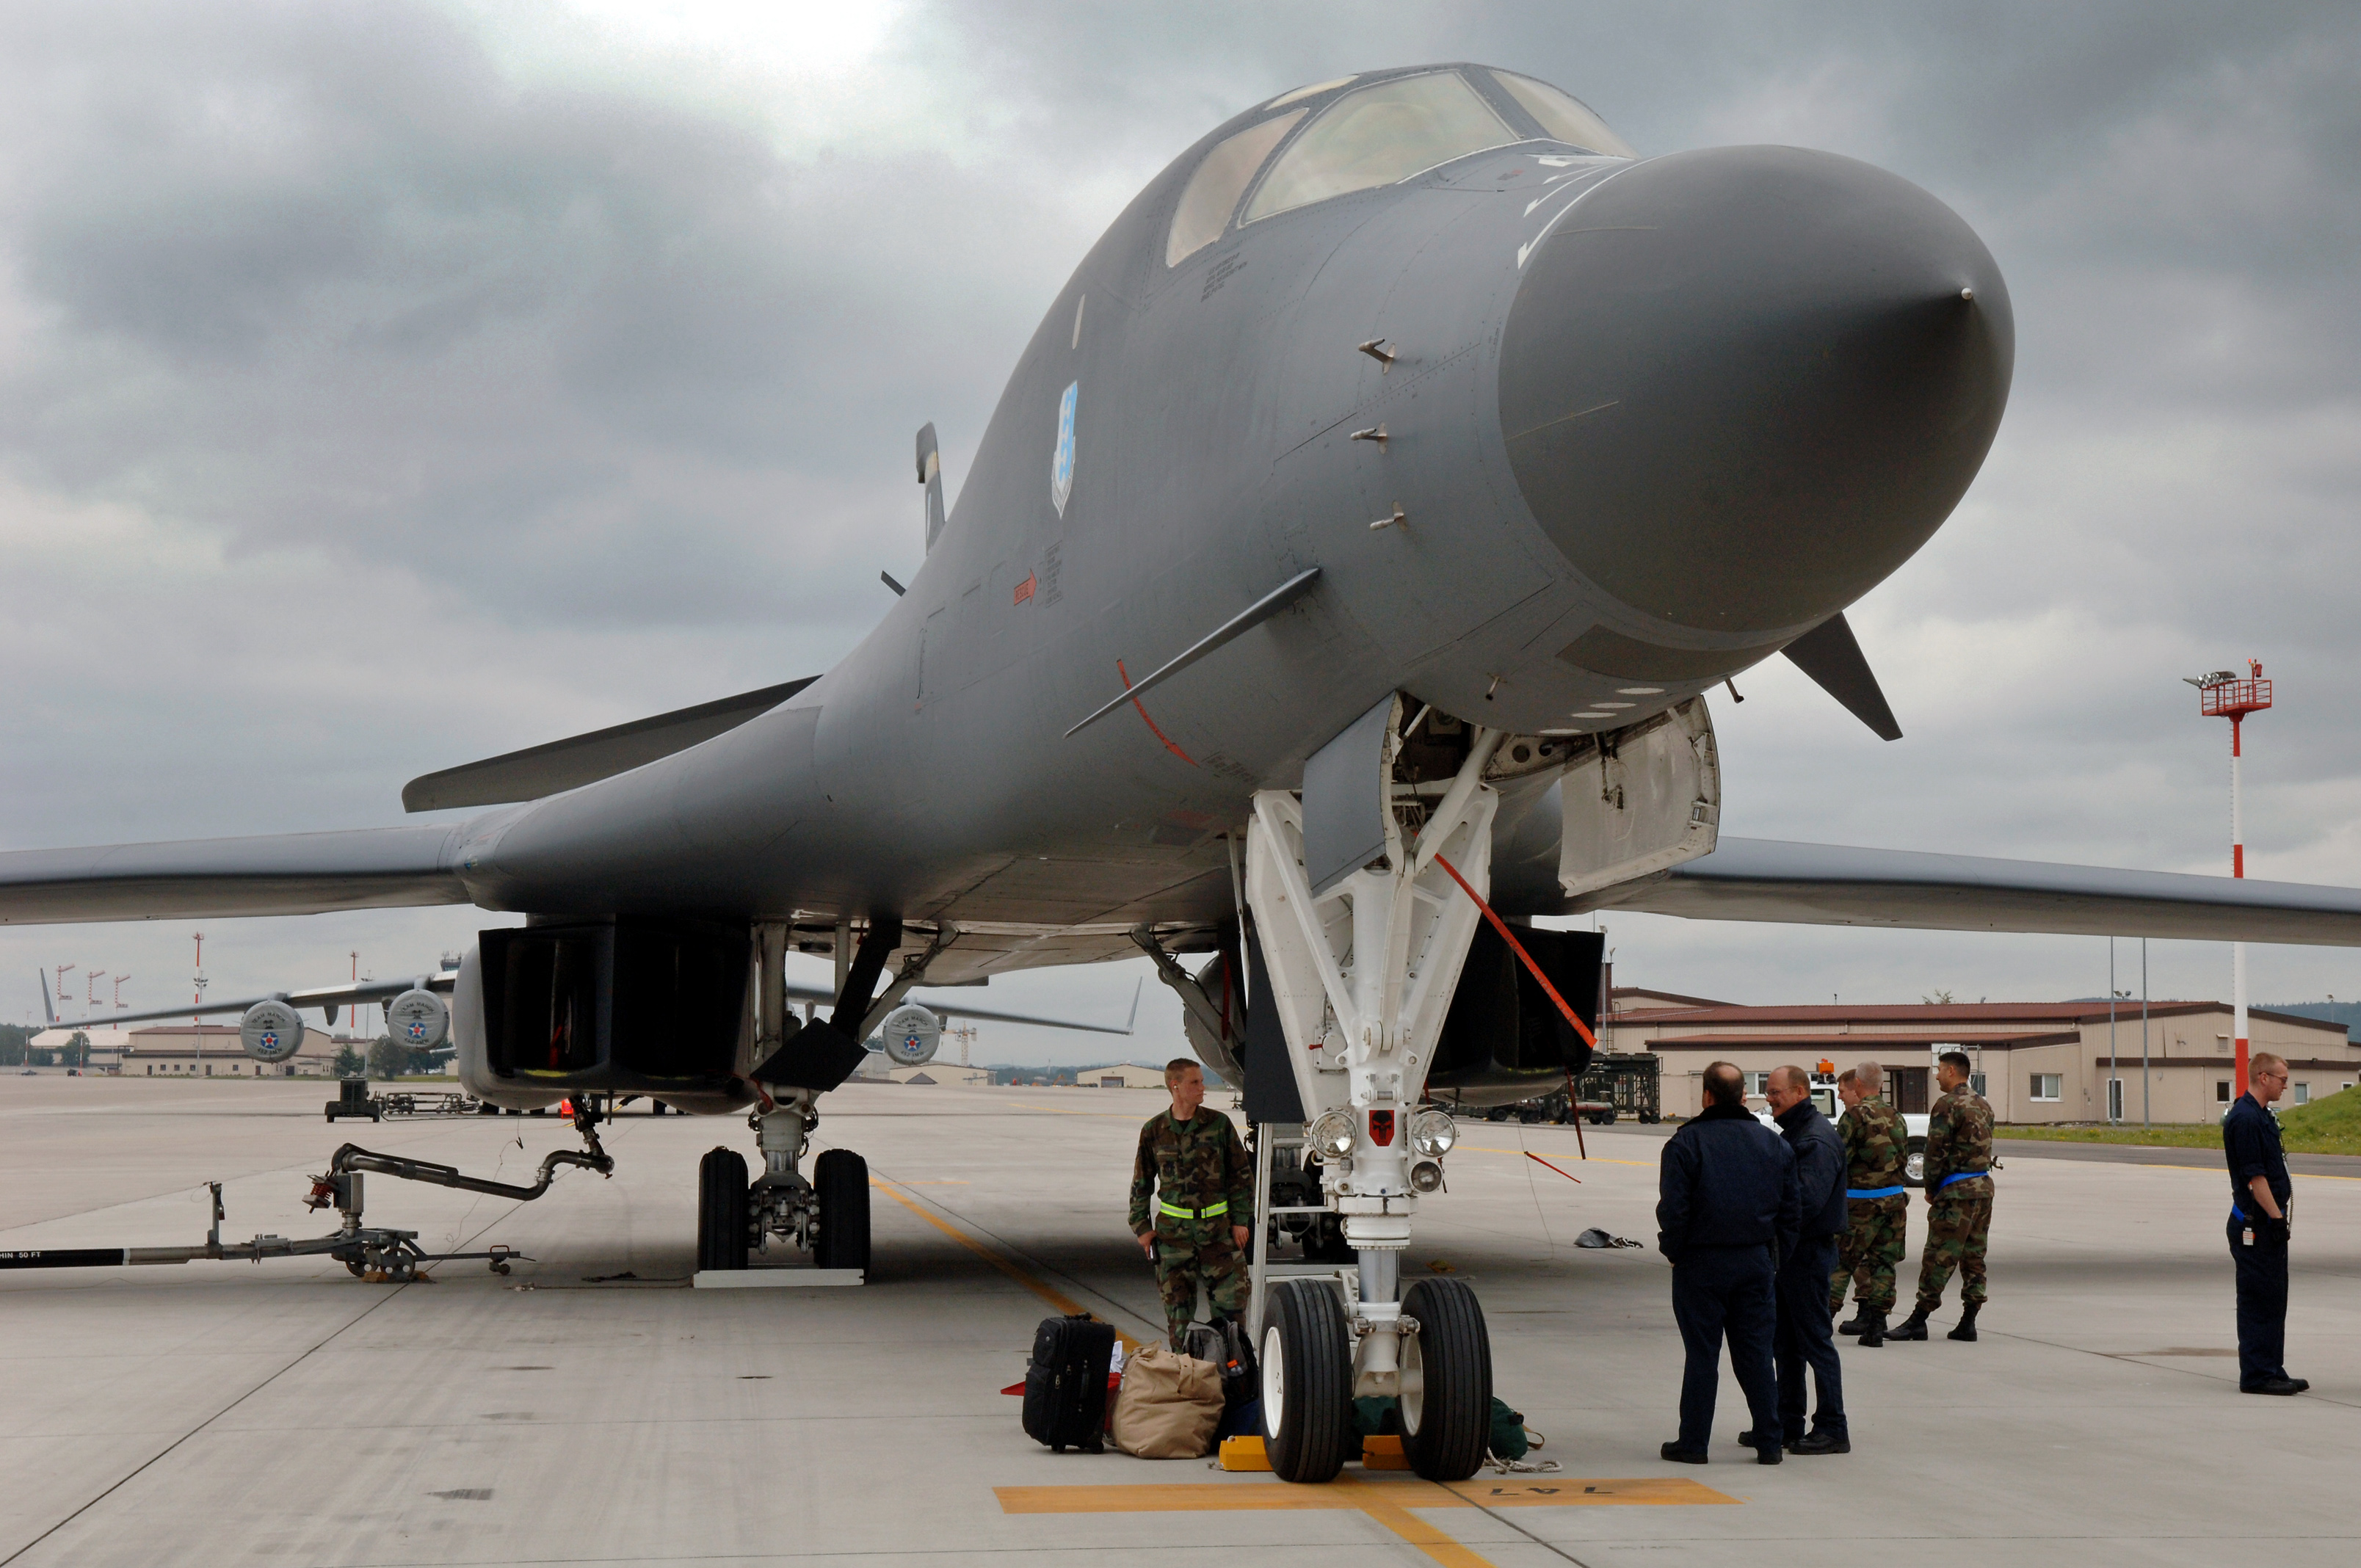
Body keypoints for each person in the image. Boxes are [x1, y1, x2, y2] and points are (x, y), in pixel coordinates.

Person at [1655, 1060, 1799, 1465]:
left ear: (1706, 1096)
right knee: (1755, 1354)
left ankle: (1694, 1442)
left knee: (1702, 1355)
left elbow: (1674, 1211)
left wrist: (1676, 1252)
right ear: (1743, 1097)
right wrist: (1773, 1258)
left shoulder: (1686, 1144)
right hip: (1754, 1262)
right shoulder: (1775, 1145)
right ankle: (1770, 1442)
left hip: (1701, 1263)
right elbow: (1792, 1214)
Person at [1755, 1065, 1849, 1454]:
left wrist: (1764, 1223)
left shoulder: (1815, 1140)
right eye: (1768, 1093)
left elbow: (1805, 1203)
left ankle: (1832, 1427)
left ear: (1798, 1092)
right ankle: (1788, 1421)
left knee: (1814, 1341)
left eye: (1775, 1092)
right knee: (1785, 1344)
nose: (1769, 1099)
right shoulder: (1797, 1131)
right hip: (1792, 1253)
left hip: (1807, 1253)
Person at [1128, 1058, 1253, 1351]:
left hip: (1219, 1234)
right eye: (1195, 1082)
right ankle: (1187, 1378)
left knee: (1231, 1315)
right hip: (1173, 1238)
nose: (1202, 1087)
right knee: (1179, 1318)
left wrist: (1240, 1220)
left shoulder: (1218, 1125)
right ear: (1176, 1087)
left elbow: (1241, 1176)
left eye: (1201, 1081)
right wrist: (1142, 1228)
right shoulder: (1154, 1130)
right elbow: (1141, 1183)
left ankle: (1233, 1379)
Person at [1886, 1050, 1992, 1343]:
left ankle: (1919, 1319)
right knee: (1974, 1256)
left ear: (1951, 1071)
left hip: (1956, 1192)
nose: (1936, 1075)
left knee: (1938, 1255)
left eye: (1939, 1070)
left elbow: (1935, 1152)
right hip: (1982, 1188)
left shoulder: (1947, 1105)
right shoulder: (1983, 1104)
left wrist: (1931, 1188)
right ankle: (1969, 1320)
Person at [2224, 1052, 2306, 1395]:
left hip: (2267, 1223)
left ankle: (2272, 1367)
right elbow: (2255, 1178)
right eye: (2282, 1079)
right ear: (2263, 1077)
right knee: (2259, 1298)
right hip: (2255, 1225)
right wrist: (2275, 1218)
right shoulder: (2245, 1119)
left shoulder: (2262, 1116)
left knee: (2274, 1297)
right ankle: (2257, 1375)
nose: (2286, 1085)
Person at [1829, 1062, 1910, 1347]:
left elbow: (1839, 1159)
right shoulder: (1896, 1116)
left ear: (1859, 1085)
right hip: (1894, 1202)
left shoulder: (1855, 1116)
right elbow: (1902, 1156)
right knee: (1884, 1264)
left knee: (1841, 1262)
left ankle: (1821, 1319)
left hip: (1862, 1203)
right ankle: (1876, 1326)